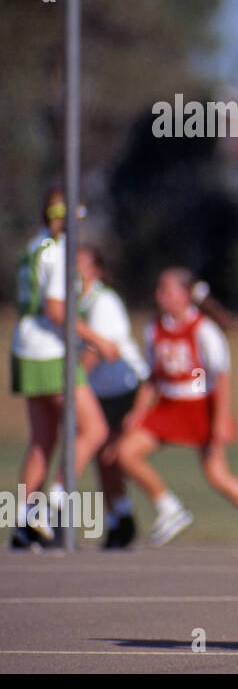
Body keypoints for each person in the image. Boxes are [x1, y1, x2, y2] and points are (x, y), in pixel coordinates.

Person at [114, 267, 238, 553]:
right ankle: (169, 507)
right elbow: (153, 376)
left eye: (167, 290)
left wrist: (221, 418)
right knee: (124, 453)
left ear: (186, 295)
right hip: (168, 406)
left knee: (217, 475)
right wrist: (139, 410)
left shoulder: (203, 329)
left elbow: (221, 376)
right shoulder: (154, 327)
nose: (160, 296)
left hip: (198, 405)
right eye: (159, 290)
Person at [10, 187, 112, 550]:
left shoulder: (33, 246)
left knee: (43, 441)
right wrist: (96, 340)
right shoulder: (59, 250)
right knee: (94, 429)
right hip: (50, 351)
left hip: (24, 347)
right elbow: (56, 309)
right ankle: (51, 505)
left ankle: (22, 521)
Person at [76, 246, 150, 549]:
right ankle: (120, 519)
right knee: (101, 460)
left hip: (125, 387)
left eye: (80, 263)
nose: (73, 268)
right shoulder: (76, 302)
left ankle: (166, 507)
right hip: (99, 391)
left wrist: (71, 381)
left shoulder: (103, 300)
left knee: (112, 455)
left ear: (96, 269)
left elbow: (102, 349)